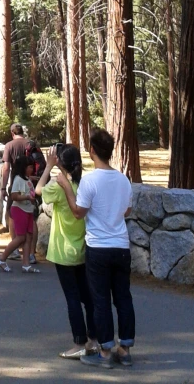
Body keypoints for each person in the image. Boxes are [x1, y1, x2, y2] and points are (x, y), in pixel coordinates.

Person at [57, 129, 135, 369]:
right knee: (123, 297)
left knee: (100, 300)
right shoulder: (123, 179)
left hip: (98, 248)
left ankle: (104, 352)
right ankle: (125, 348)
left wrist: (67, 187)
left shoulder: (90, 180)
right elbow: (127, 211)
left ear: (92, 150)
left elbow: (79, 212)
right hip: (121, 246)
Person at [36, 145, 97, 359]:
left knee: (72, 297)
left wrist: (48, 167)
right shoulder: (85, 184)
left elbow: (37, 191)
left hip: (63, 250)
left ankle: (79, 342)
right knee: (87, 297)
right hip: (83, 248)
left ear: (60, 163)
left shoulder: (58, 186)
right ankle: (94, 339)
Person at [0, 156, 39, 273]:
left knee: (28, 237)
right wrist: (27, 197)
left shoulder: (27, 179)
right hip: (20, 209)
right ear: (23, 167)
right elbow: (14, 196)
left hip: (28, 210)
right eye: (30, 167)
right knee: (21, 237)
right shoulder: (18, 180)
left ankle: (26, 264)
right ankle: (2, 257)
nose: (32, 169)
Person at [1, 124, 28, 257]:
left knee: (11, 213)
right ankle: (29, 252)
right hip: (30, 184)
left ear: (12, 133)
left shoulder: (9, 146)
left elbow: (6, 168)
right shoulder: (31, 144)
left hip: (16, 184)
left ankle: (15, 249)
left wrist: (2, 187)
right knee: (30, 217)